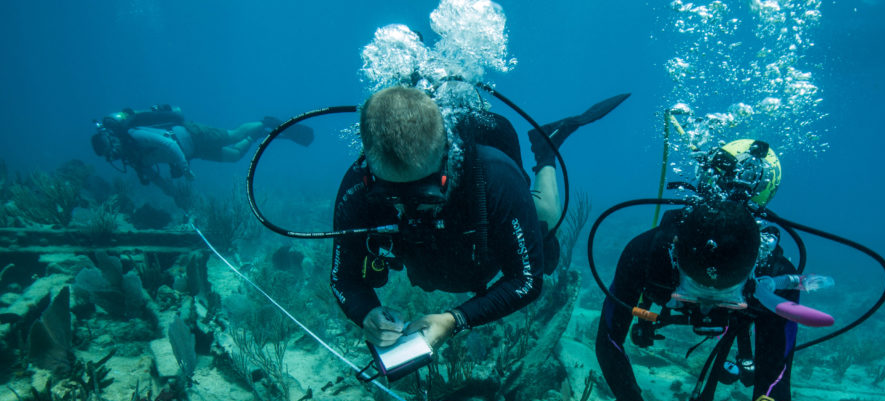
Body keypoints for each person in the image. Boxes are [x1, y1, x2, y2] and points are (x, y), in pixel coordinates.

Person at [330, 85, 628, 350]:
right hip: (431, 263)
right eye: (392, 196)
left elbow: (526, 279)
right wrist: (366, 312)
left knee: (546, 222)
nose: (408, 210)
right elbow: (343, 278)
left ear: (449, 157)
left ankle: (546, 150)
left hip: (486, 241)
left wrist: (455, 320)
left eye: (424, 196)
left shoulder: (494, 174)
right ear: (370, 173)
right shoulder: (357, 188)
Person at [595, 139, 797, 401]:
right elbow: (608, 341)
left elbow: (775, 374)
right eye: (693, 287)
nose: (705, 306)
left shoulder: (775, 277)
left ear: (754, 272)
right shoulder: (648, 253)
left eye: (728, 294)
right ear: (676, 255)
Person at [90, 104, 313, 199]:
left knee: (232, 135)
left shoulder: (134, 135)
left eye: (112, 147)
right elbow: (155, 178)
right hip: (193, 152)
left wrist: (184, 169)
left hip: (191, 134)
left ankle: (266, 122)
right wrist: (175, 195)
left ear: (111, 139)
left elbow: (167, 143)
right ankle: (257, 133)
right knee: (235, 156)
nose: (117, 153)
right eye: (112, 154)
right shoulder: (133, 158)